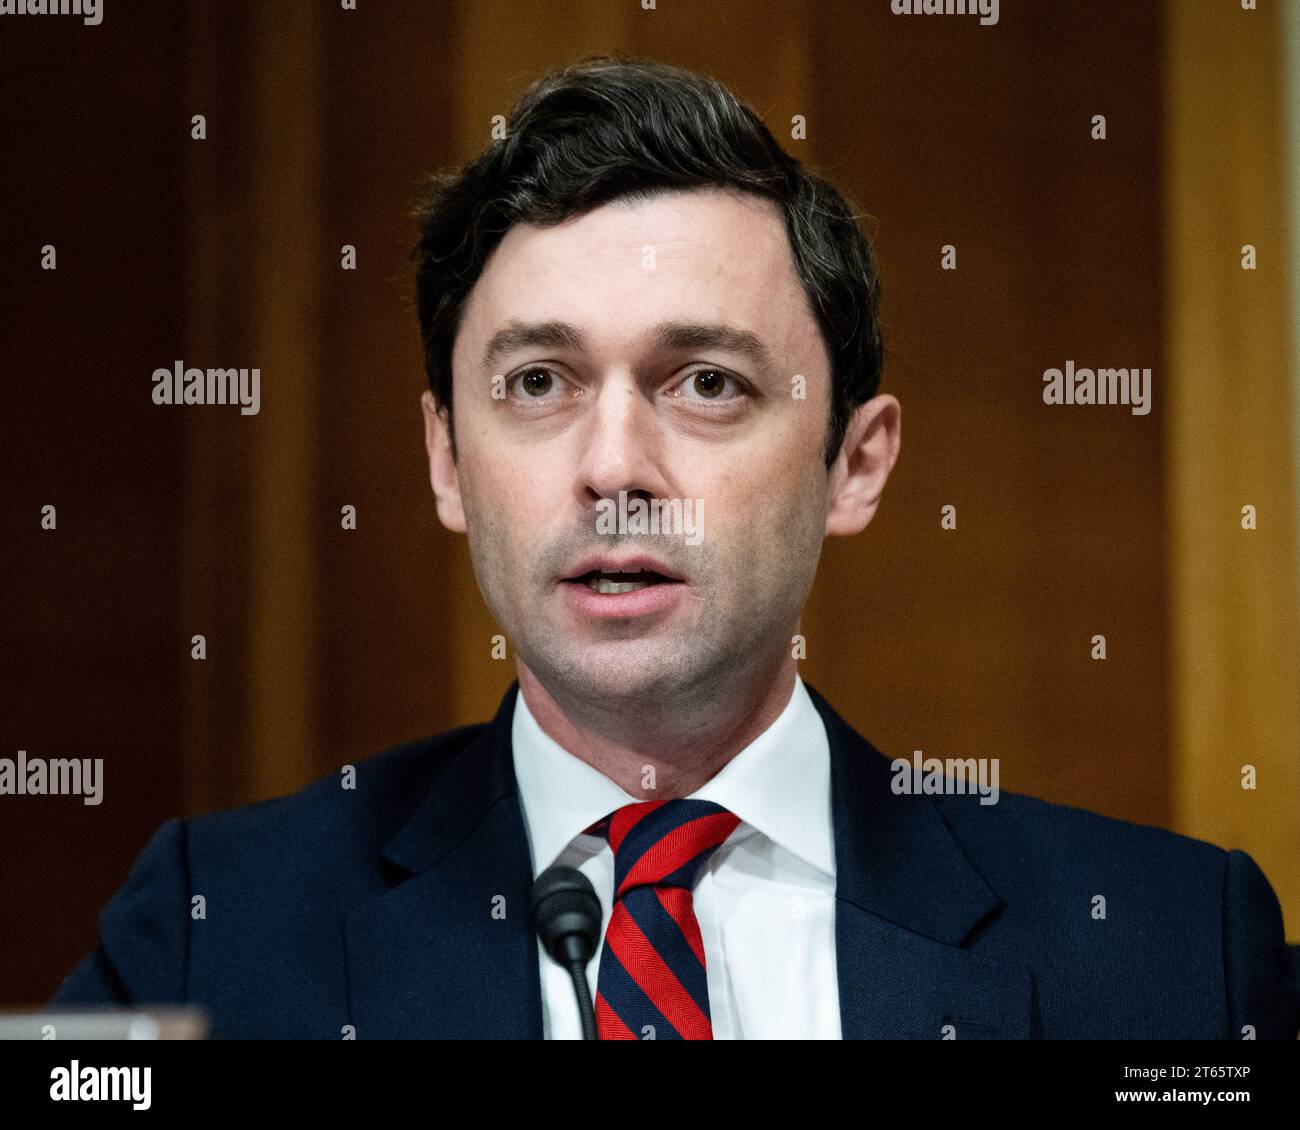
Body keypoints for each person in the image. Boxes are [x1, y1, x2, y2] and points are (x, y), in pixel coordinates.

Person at [49, 55, 1298, 1040]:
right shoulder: (219, 925)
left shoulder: (1169, 949)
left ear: (855, 463)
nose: (613, 467)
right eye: (538, 382)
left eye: (705, 382)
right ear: (446, 460)